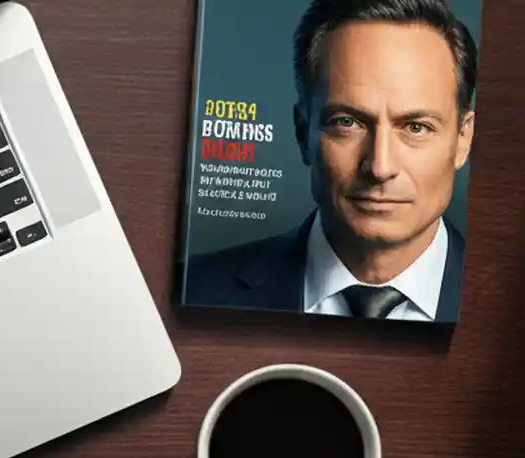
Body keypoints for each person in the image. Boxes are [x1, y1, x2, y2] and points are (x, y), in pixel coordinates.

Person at [185, 0, 477, 322]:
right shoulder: (198, 287)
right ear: (302, 133)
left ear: (463, 139)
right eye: (346, 123)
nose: (380, 168)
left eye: (415, 127)